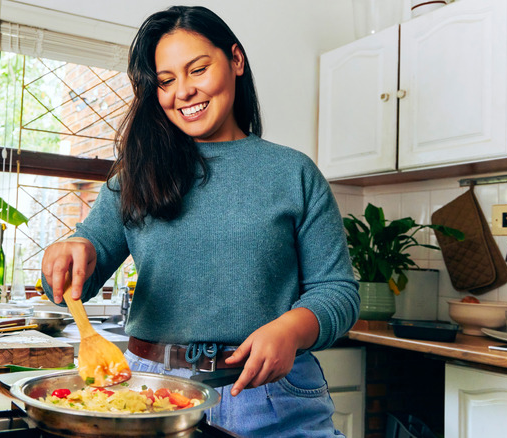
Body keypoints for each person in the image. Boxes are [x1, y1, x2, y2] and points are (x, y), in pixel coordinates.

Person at [41, 5, 359, 437]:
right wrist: (71, 253)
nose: (183, 92)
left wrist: (292, 329)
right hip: (151, 395)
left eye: (198, 70)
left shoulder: (293, 173)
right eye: (167, 81)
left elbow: (337, 291)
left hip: (273, 397)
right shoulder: (135, 175)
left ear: (235, 61)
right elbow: (69, 288)